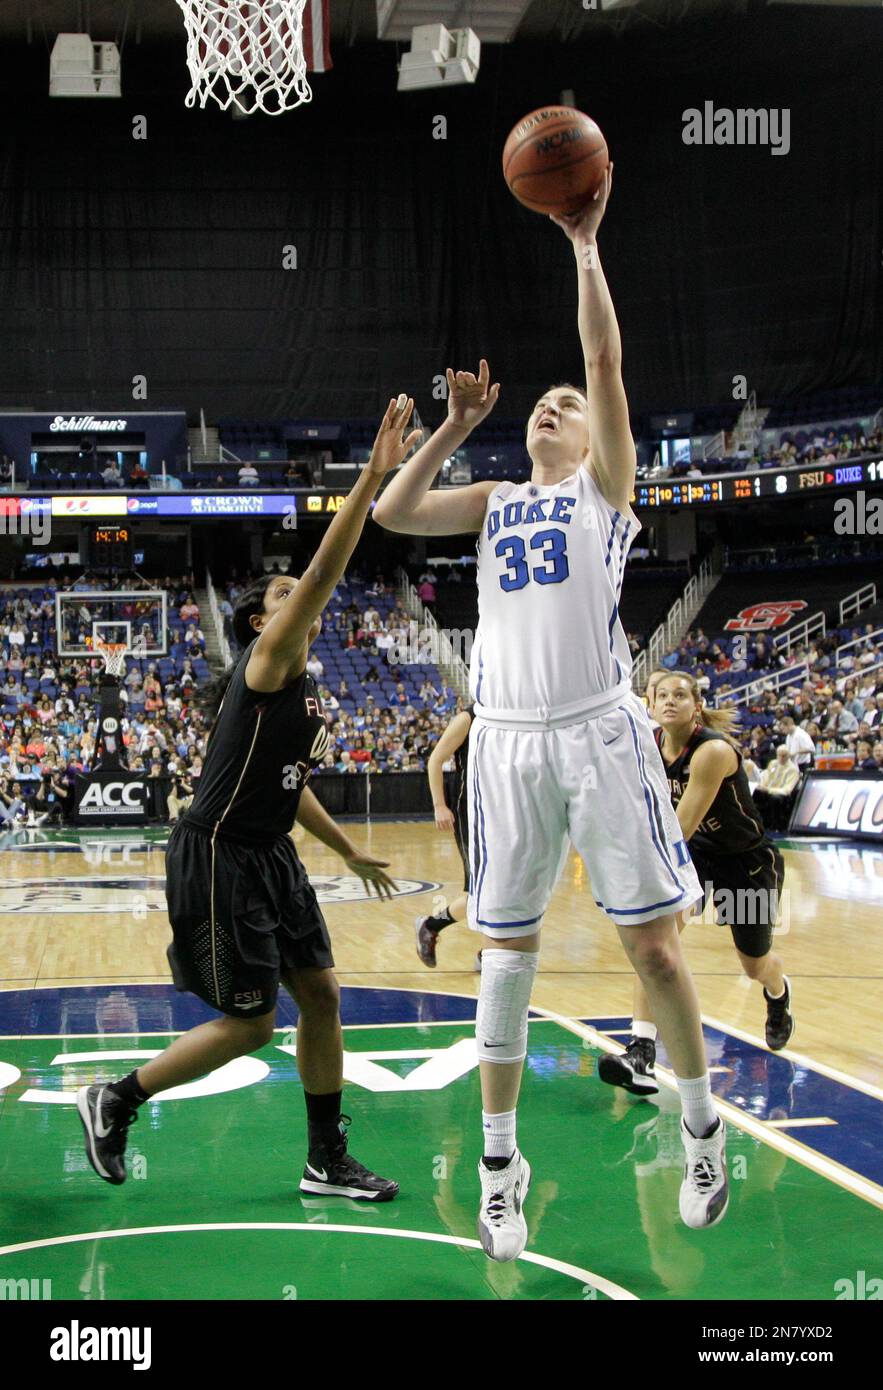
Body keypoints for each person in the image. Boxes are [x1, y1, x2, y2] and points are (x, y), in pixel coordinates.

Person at [374, 167, 727, 1260]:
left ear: (590, 441)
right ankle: (497, 1164)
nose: (552, 405)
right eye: (541, 402)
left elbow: (605, 362)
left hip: (597, 729)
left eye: (563, 407)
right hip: (508, 742)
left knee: (656, 953)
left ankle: (703, 1124)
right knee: (504, 958)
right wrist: (451, 426)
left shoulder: (600, 494)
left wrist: (582, 245)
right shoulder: (493, 499)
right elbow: (392, 509)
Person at [76, 396, 421, 1198]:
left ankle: (324, 1159)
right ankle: (117, 1098)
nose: (298, 592)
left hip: (271, 855)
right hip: (221, 859)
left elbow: (290, 791)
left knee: (324, 996)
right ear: (264, 622)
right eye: (283, 592)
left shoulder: (296, 695)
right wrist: (371, 476)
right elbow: (328, 574)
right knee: (253, 1023)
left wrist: (344, 849)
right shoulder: (266, 666)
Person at [600, 672, 793, 1102]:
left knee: (753, 964)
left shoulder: (713, 752)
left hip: (743, 862)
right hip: (696, 857)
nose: (670, 701)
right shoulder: (647, 745)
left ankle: (778, 993)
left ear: (697, 706)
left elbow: (679, 828)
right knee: (655, 943)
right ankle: (641, 1050)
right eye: (661, 695)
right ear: (650, 705)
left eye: (680, 695)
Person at [415, 705, 475, 968]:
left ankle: (431, 926)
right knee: (480, 891)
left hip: (501, 810)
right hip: (470, 809)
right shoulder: (467, 718)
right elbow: (436, 760)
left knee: (499, 889)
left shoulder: (510, 713)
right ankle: (430, 925)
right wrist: (440, 805)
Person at [753, 746, 801, 831]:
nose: (781, 758)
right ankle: (756, 822)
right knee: (755, 792)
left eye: (784, 756)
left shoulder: (793, 769)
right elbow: (766, 777)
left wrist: (769, 790)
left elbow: (787, 790)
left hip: (782, 794)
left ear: (788, 756)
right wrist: (761, 786)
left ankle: (776, 825)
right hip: (768, 790)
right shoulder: (773, 763)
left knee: (775, 798)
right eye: (779, 755)